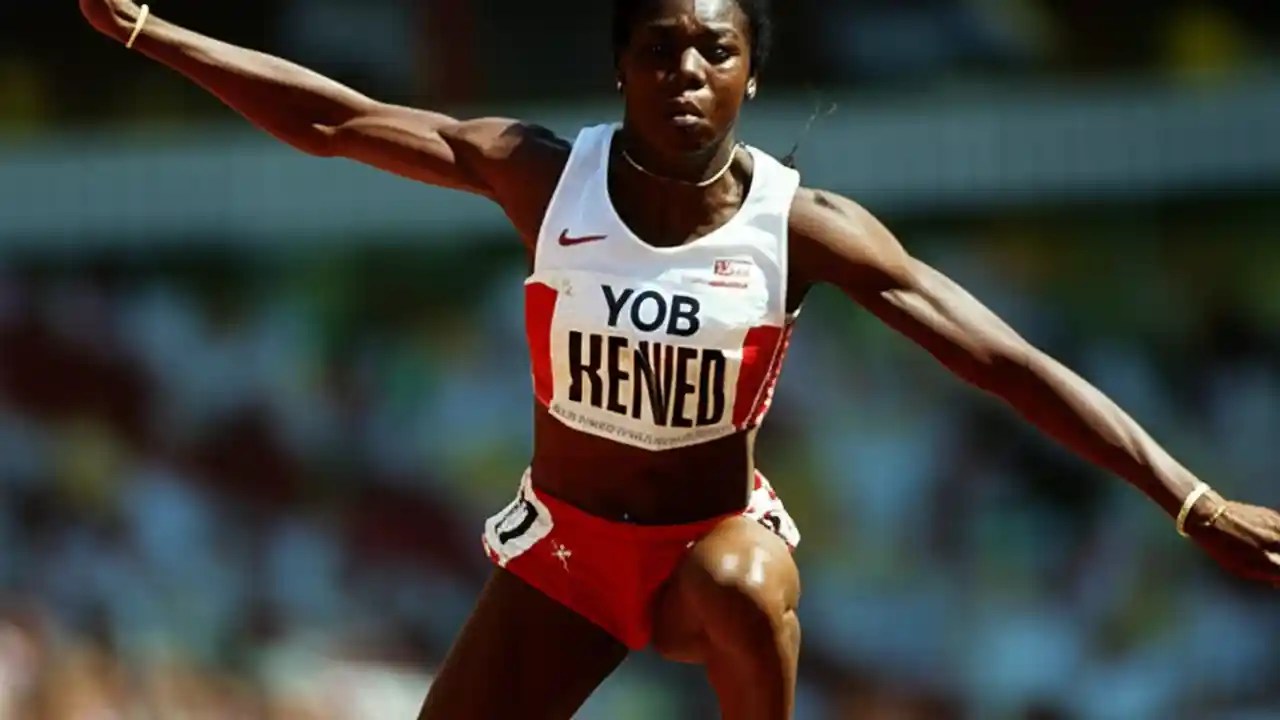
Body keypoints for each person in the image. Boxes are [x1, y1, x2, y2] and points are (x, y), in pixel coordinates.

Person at [79, 0, 1280, 718]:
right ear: (621, 68)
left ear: (750, 72)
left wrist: (1185, 498)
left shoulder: (800, 228)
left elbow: (1002, 362)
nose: (685, 74)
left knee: (750, 585)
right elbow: (335, 121)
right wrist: (149, 32)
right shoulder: (545, 177)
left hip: (709, 554)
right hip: (563, 554)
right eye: (658, 49)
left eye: (712, 49)